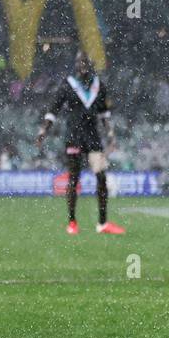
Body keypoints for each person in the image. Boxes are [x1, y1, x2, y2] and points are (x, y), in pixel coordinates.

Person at [37, 51, 124, 235]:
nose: (82, 64)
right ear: (75, 64)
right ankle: (72, 222)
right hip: (74, 136)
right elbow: (54, 109)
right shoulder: (68, 85)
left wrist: (111, 135)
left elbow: (104, 115)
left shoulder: (98, 86)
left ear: (90, 64)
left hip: (93, 138)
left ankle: (102, 224)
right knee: (73, 178)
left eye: (85, 61)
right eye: (79, 62)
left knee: (101, 177)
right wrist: (44, 129)